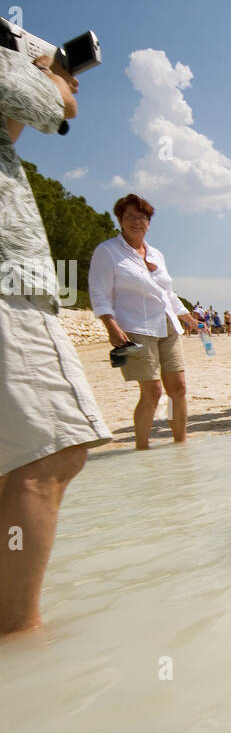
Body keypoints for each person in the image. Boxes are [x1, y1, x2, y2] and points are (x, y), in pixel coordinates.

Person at [0, 44, 112, 636]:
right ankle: (21, 639)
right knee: (51, 451)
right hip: (6, 278)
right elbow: (45, 108)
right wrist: (52, 82)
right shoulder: (9, 56)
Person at [88, 195, 199, 449]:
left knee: (178, 388)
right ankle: (142, 448)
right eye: (130, 216)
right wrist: (110, 325)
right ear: (120, 219)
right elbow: (99, 293)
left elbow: (166, 292)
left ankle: (180, 444)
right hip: (135, 328)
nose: (137, 222)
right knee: (153, 391)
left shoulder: (157, 253)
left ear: (149, 222)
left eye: (143, 217)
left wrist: (186, 315)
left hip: (168, 324)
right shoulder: (108, 251)